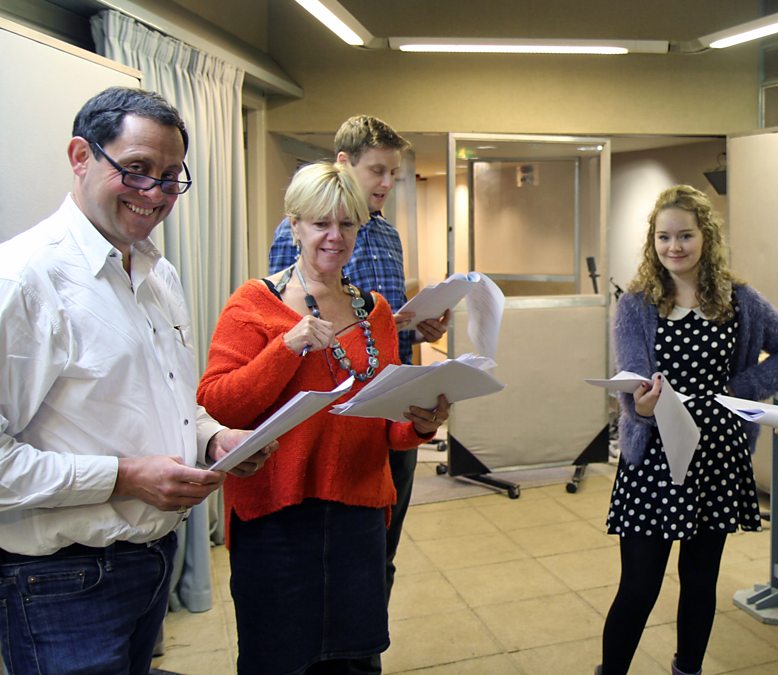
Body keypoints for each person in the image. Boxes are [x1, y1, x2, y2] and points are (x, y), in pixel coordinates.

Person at [0, 86, 273, 675]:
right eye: (136, 169)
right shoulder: (22, 282)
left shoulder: (156, 272)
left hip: (151, 558)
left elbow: (171, 400)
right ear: (80, 156)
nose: (155, 193)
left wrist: (213, 439)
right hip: (61, 579)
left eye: (172, 176)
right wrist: (123, 477)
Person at [198, 161, 450, 674]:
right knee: (280, 660)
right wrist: (286, 348)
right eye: (321, 224)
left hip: (358, 516)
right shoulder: (254, 304)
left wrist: (421, 423)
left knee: (355, 661)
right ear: (294, 227)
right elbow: (218, 401)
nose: (335, 236)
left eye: (347, 224)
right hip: (277, 516)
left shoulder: (374, 310)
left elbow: (387, 426)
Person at [601, 185, 778, 675]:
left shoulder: (740, 299)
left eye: (685, 235)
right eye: (664, 237)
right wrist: (640, 408)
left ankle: (687, 668)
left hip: (718, 455)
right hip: (653, 458)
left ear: (705, 237)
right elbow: (631, 382)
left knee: (700, 579)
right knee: (639, 585)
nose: (675, 247)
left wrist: (741, 389)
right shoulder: (637, 304)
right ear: (653, 241)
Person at [267, 115, 447, 605]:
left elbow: (382, 319)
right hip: (337, 411)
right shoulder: (301, 233)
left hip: (396, 407)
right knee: (331, 547)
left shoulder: (387, 235)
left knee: (382, 543)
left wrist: (421, 323)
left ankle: (367, 639)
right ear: (344, 164)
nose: (387, 183)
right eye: (377, 171)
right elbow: (286, 321)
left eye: (394, 173)